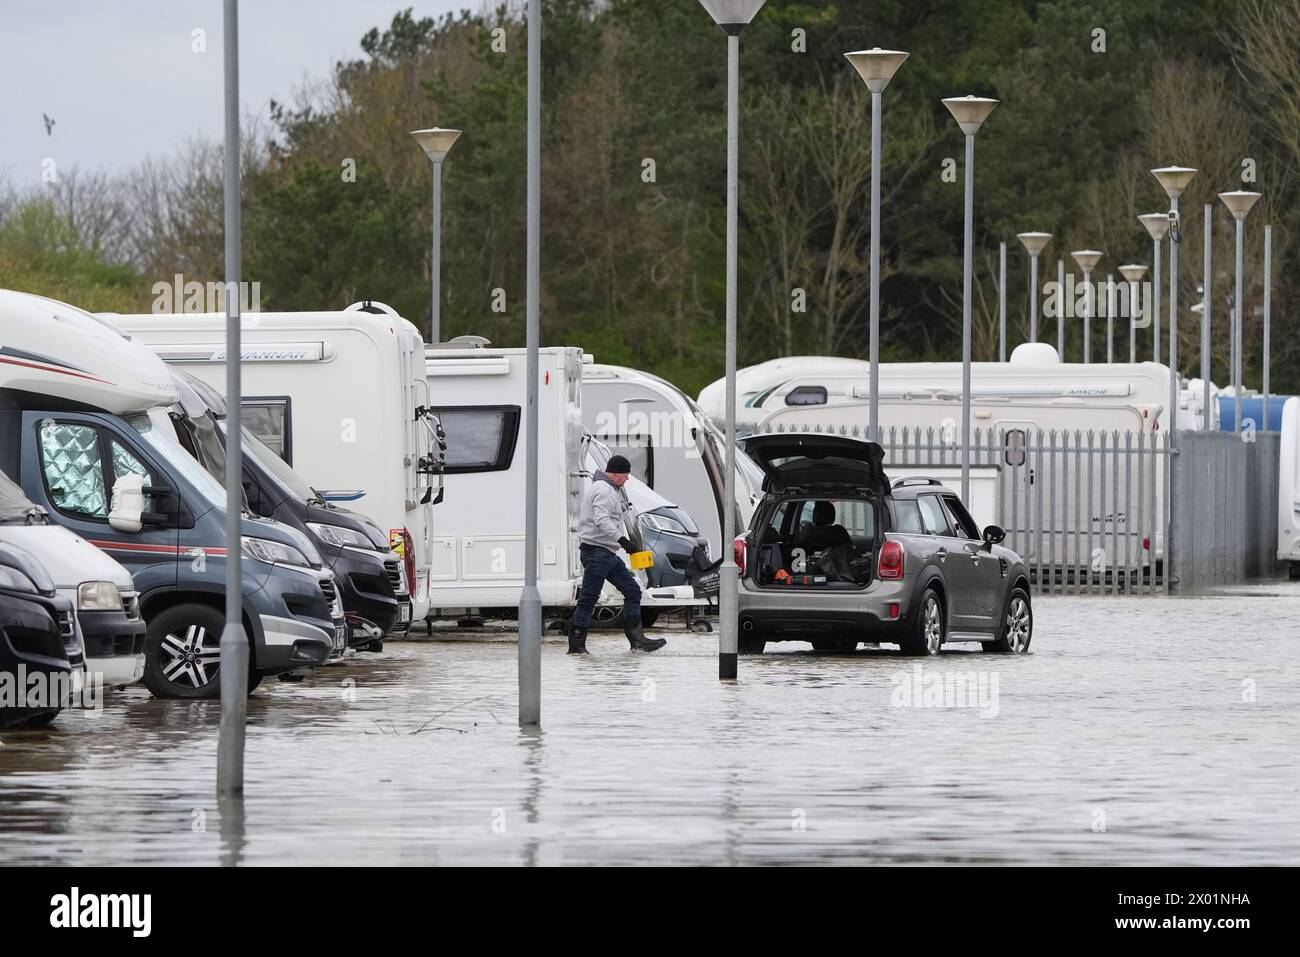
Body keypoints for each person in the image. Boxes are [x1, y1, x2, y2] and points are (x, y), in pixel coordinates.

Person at [568, 455, 666, 655]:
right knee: (588, 599)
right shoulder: (603, 491)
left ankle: (638, 640)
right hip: (597, 552)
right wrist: (622, 540)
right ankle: (576, 646)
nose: (628, 478)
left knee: (632, 591)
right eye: (625, 474)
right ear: (615, 473)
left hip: (606, 553)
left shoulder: (613, 489)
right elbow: (602, 519)